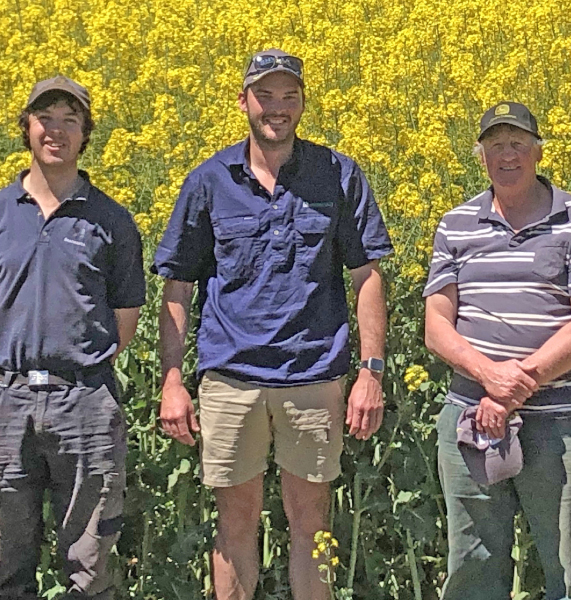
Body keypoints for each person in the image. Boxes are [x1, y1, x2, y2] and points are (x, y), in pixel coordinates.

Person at [152, 49, 392, 600]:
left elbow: (367, 276)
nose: (277, 108)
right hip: (230, 381)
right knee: (235, 526)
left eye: (289, 96)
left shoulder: (337, 174)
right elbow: (178, 286)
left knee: (313, 526)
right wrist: (172, 380)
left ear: (303, 102)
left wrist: (370, 371)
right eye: (265, 95)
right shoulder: (210, 181)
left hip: (313, 377)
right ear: (244, 101)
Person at [0, 75, 146, 599]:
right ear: (26, 129)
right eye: (45, 119)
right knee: (6, 566)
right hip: (4, 401)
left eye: (70, 121)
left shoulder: (111, 220)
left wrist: (73, 364)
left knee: (88, 570)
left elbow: (123, 318)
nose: (56, 131)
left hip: (84, 400)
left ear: (87, 134)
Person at [423, 102, 571, 600]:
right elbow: (437, 326)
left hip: (559, 421)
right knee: (471, 567)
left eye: (518, 144)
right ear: (480, 155)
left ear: (538, 151)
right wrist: (490, 378)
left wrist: (512, 388)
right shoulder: (456, 224)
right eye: (495, 145)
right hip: (470, 416)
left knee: (569, 569)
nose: (507, 156)